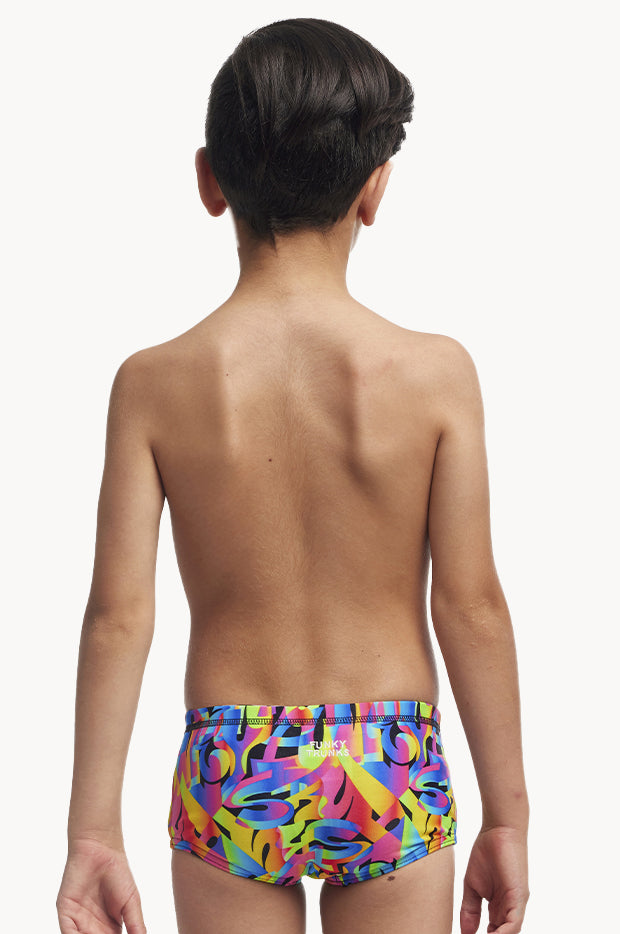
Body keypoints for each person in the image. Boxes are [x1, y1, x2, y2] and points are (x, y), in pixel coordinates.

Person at [56, 17, 529, 934]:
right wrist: (507, 817)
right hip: (387, 763)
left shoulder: (153, 383)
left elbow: (119, 616)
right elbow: (470, 605)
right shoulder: (436, 375)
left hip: (232, 763)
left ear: (210, 181)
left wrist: (92, 832)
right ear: (374, 188)